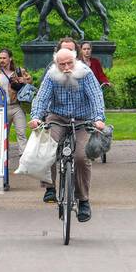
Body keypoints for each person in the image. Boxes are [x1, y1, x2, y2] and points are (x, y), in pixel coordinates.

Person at [28, 47, 106, 223]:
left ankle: (84, 200)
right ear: (56, 64)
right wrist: (35, 117)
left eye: (69, 62)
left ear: (75, 60)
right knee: (48, 147)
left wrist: (99, 118)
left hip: (82, 119)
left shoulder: (85, 73)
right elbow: (41, 98)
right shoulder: (51, 75)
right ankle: (49, 188)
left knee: (81, 157)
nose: (66, 67)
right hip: (57, 116)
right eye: (61, 64)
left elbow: (96, 97)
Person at [0, 48, 33, 151]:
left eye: (4, 58)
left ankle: (24, 159)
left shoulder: (19, 71)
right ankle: (3, 159)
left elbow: (30, 80)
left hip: (17, 106)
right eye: (0, 58)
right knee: (3, 135)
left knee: (21, 133)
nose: (2, 60)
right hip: (2, 108)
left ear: (10, 59)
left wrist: (24, 80)